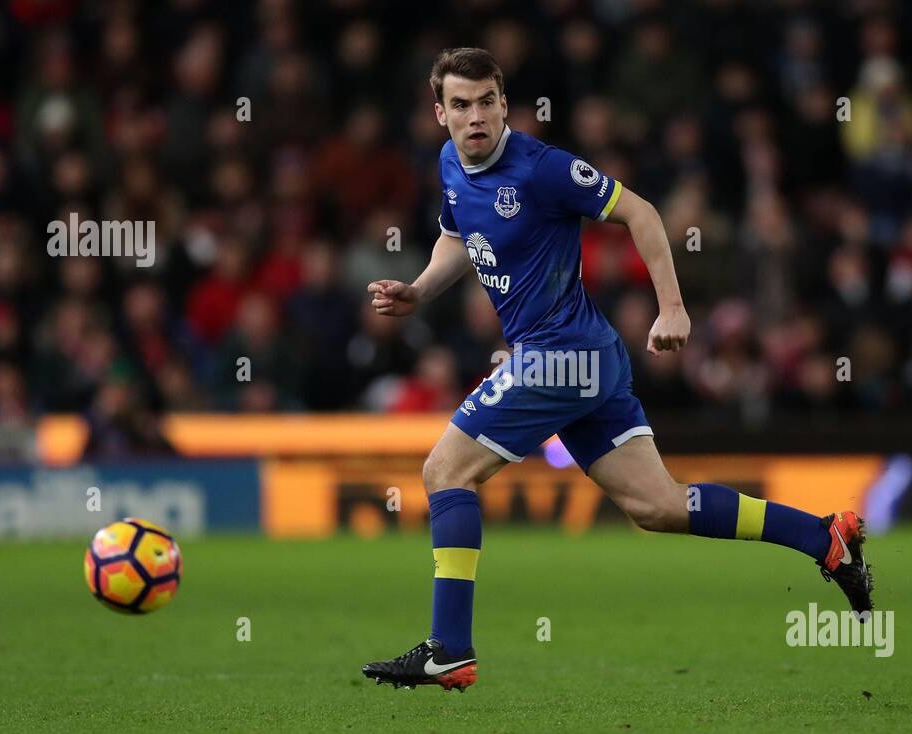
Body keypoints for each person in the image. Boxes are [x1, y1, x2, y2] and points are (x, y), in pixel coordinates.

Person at [362, 49, 872, 692]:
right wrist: (418, 290)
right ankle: (825, 538)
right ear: (440, 114)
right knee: (656, 506)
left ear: (504, 104)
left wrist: (673, 308)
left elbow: (642, 212)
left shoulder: (543, 169)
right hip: (587, 361)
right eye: (460, 105)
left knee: (444, 470)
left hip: (560, 356)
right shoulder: (450, 165)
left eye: (487, 101)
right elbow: (460, 236)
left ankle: (450, 649)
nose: (475, 116)